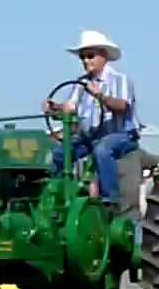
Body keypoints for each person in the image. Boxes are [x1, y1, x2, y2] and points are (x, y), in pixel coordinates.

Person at [42, 29, 140, 208]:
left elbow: (122, 107)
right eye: (83, 57)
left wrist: (100, 96)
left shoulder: (120, 80)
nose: (86, 61)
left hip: (121, 135)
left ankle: (110, 199)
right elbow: (69, 109)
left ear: (104, 56)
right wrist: (54, 107)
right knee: (58, 153)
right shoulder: (81, 84)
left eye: (90, 56)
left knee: (102, 150)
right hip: (90, 137)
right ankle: (56, 196)